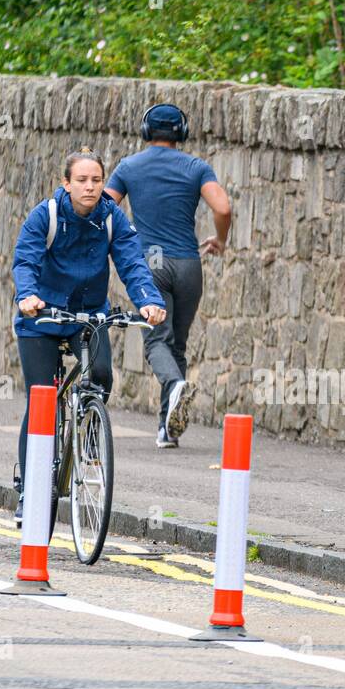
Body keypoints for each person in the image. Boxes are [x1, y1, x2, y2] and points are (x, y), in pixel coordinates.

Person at [10, 150, 166, 525]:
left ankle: (88, 437)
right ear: (67, 183)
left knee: (100, 376)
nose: (90, 186)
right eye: (82, 180)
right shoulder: (45, 215)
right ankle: (29, 488)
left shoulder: (112, 217)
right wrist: (28, 296)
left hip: (89, 316)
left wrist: (149, 301)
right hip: (43, 318)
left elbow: (132, 262)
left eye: (96, 179)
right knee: (42, 402)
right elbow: (25, 260)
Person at [105, 103, 232, 448]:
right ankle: (168, 429)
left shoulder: (129, 166)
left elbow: (105, 207)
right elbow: (222, 207)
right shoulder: (196, 167)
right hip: (189, 264)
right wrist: (220, 239)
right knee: (176, 342)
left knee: (157, 340)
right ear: (182, 133)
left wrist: (122, 238)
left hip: (151, 263)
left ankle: (174, 387)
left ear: (146, 131)